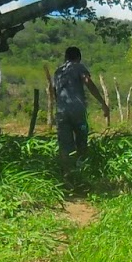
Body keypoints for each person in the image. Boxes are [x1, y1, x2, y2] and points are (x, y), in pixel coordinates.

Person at [50, 46, 109, 174]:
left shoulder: (58, 72)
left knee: (65, 147)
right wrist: (102, 102)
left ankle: (68, 176)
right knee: (82, 141)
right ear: (78, 57)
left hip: (61, 112)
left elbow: (53, 91)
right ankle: (83, 172)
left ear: (65, 57)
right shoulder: (79, 67)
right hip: (78, 112)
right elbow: (88, 82)